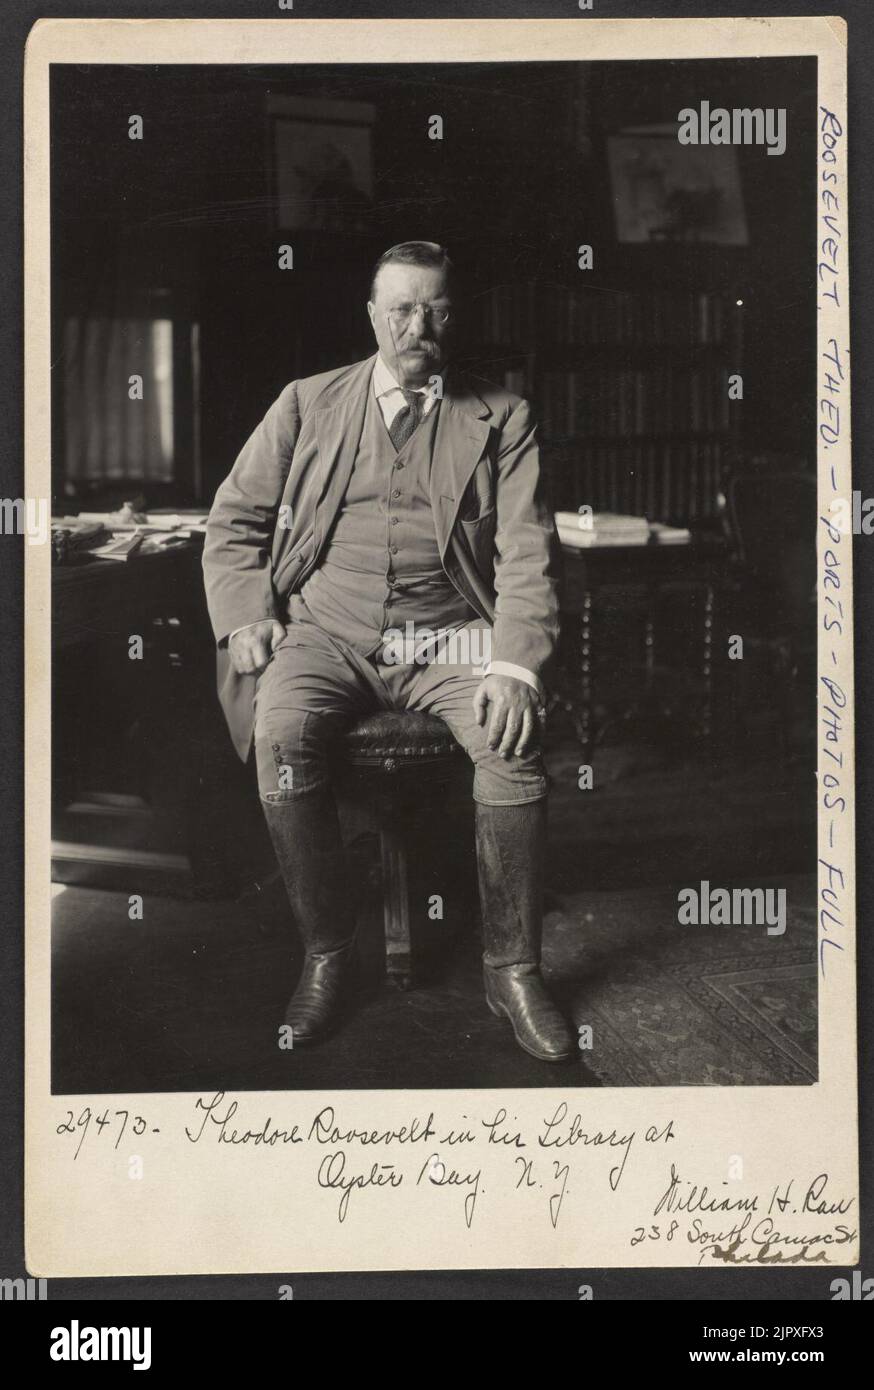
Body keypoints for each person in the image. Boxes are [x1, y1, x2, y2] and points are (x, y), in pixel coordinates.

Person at [202, 240, 573, 1062]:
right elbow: (233, 523)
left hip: (452, 637)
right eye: (401, 309)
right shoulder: (306, 403)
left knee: (513, 744)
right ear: (373, 317)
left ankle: (512, 970)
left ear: (454, 318)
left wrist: (513, 667)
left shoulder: (502, 416)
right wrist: (246, 618)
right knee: (281, 735)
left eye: (436, 310)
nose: (419, 327)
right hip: (327, 633)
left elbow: (527, 553)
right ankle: (328, 955)